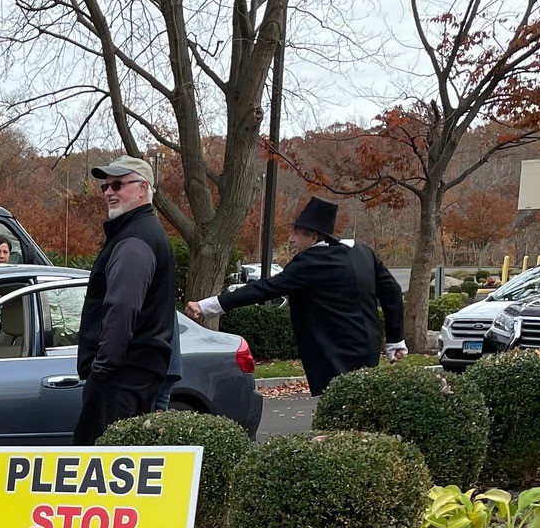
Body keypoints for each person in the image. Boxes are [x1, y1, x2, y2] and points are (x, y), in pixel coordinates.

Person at [188, 195, 405, 395]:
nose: (291, 238)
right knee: (361, 406)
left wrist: (209, 305)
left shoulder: (311, 262)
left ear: (314, 236)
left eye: (297, 232)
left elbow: (264, 288)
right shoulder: (363, 252)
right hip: (368, 348)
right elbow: (393, 291)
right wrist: (395, 340)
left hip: (335, 353)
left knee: (340, 411)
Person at [75, 154, 177, 444]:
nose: (109, 192)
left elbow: (122, 307)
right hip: (133, 374)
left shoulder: (134, 240)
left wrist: (102, 369)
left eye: (118, 185)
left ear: (143, 189)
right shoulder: (139, 234)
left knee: (93, 469)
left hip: (120, 378)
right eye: (105, 187)